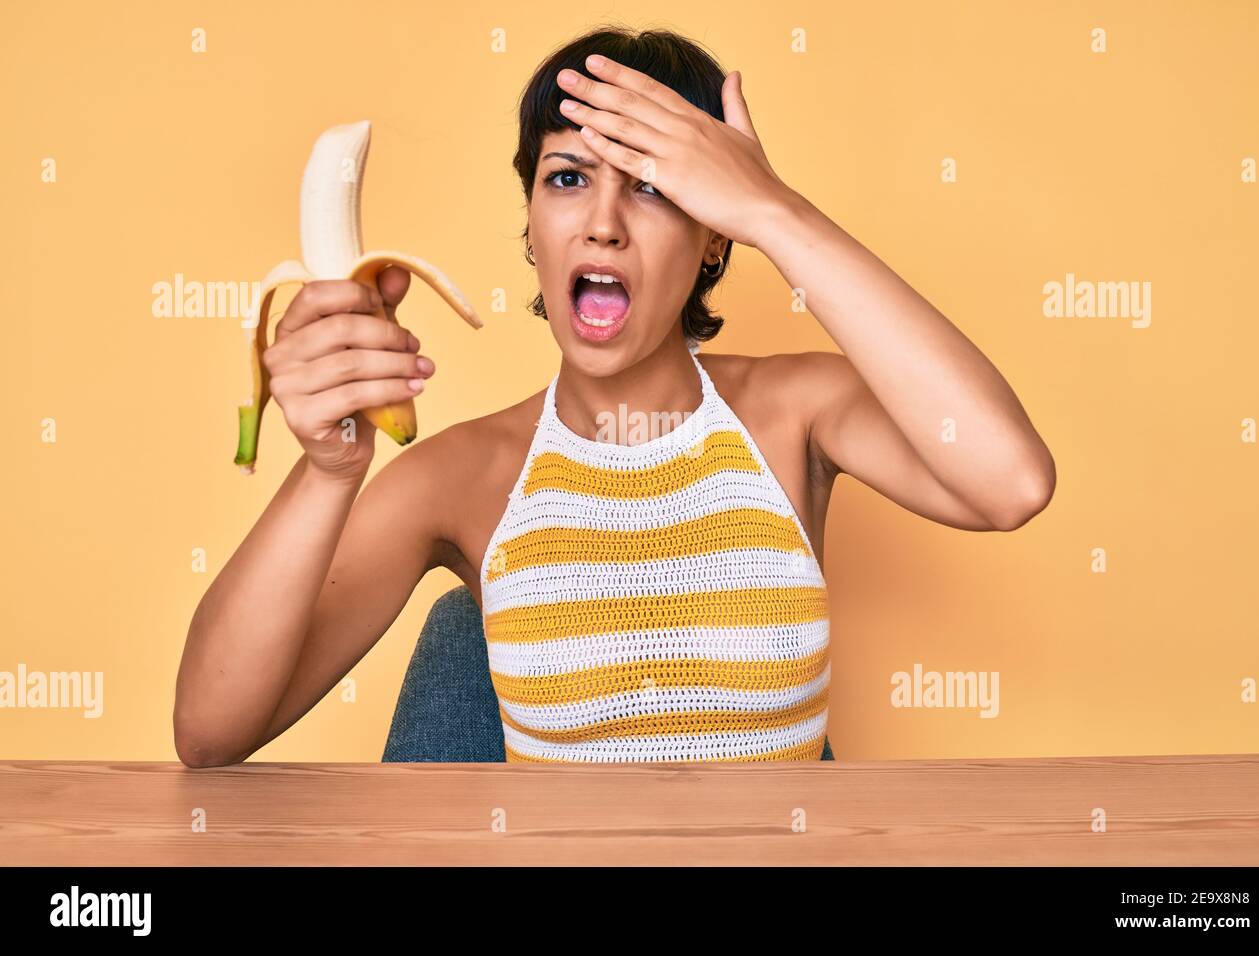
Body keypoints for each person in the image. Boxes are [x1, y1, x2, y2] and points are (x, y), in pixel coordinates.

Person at [175, 26, 1054, 767]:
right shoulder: (462, 476)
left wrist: (775, 213)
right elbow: (211, 730)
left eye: (652, 184)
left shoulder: (797, 411)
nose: (602, 220)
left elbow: (1009, 481)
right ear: (532, 225)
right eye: (567, 178)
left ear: (715, 239)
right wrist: (329, 471)